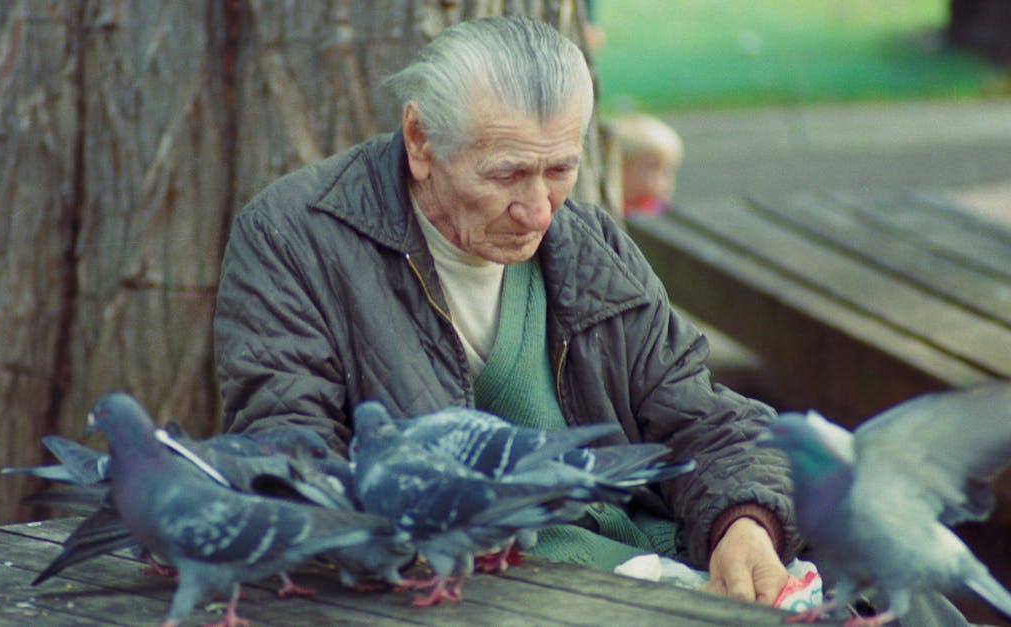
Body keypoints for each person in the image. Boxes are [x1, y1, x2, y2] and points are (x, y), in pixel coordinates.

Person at [213, 15, 796, 606]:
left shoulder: (590, 246)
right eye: (507, 173)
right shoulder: (294, 239)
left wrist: (741, 521)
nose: (539, 212)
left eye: (560, 169)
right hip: (447, 593)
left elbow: (702, 416)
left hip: (646, 562)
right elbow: (292, 457)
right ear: (420, 142)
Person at [612, 113, 684, 216]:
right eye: (656, 168)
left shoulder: (659, 210)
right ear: (621, 169)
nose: (666, 180)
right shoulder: (612, 211)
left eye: (667, 170)